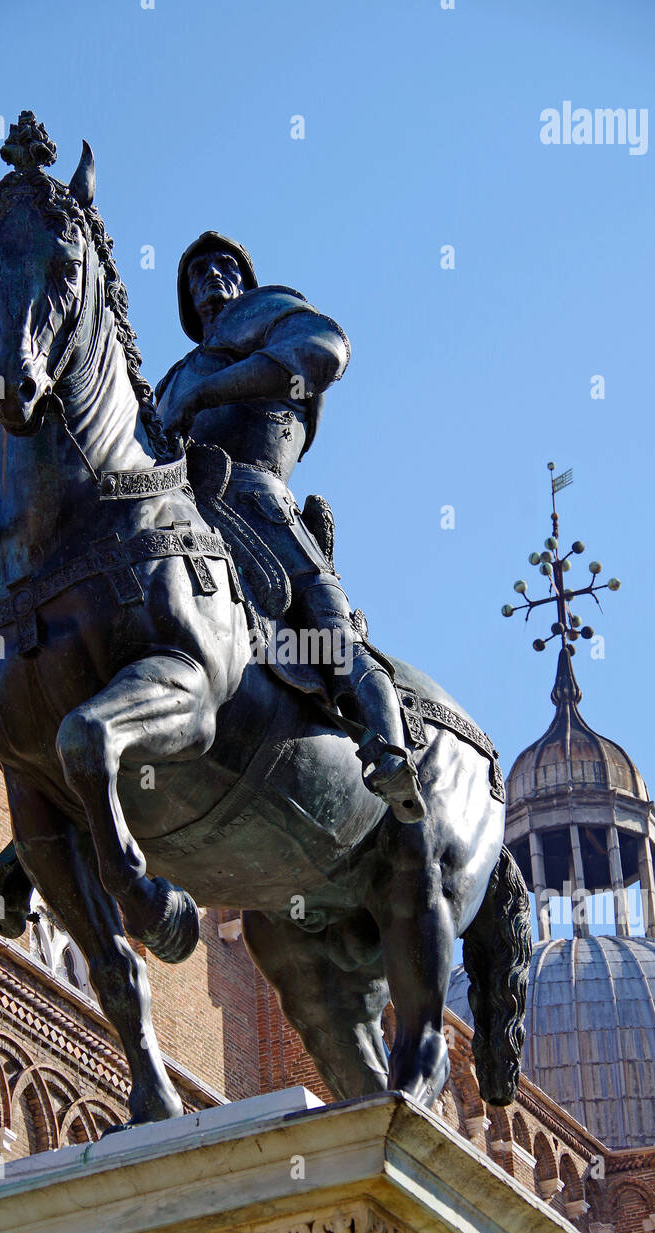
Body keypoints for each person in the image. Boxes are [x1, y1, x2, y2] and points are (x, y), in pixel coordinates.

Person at [157, 230, 425, 823]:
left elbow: (322, 351)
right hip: (180, 511)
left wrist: (208, 392)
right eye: (197, 273)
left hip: (256, 501)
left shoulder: (270, 316)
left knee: (328, 633)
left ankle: (389, 746)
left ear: (246, 283)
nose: (212, 278)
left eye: (225, 268)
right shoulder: (171, 378)